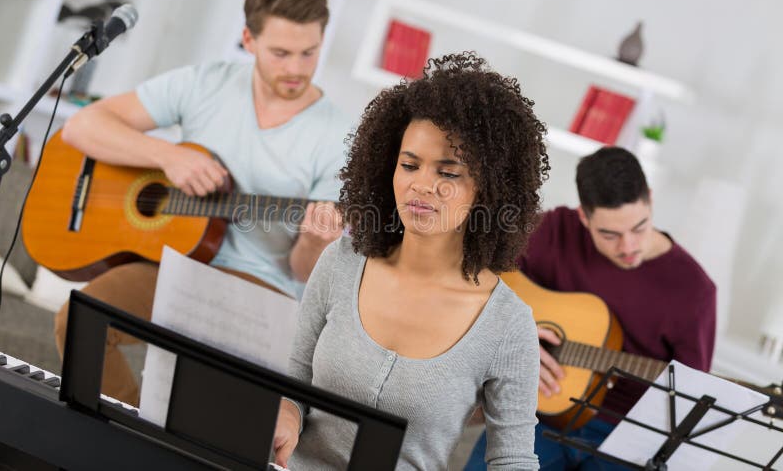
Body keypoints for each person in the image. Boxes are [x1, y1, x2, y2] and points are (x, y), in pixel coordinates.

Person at [53, 0, 351, 406]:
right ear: (248, 40)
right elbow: (82, 127)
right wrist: (166, 156)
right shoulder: (206, 82)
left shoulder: (339, 136)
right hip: (174, 261)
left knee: (200, 402)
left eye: (309, 53)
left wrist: (316, 238)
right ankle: (127, 443)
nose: (296, 69)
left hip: (260, 286)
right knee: (79, 322)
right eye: (281, 53)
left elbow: (304, 272)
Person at [270, 52, 549, 470]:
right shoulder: (342, 262)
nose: (421, 185)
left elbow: (512, 459)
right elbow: (294, 380)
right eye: (409, 165)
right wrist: (287, 415)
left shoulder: (508, 325)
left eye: (448, 173)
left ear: (489, 189)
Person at [465, 146, 717, 470]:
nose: (628, 247)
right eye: (609, 234)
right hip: (535, 416)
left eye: (639, 227)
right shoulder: (556, 230)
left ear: (651, 201)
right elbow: (467, 277)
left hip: (624, 440)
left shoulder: (695, 291)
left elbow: (688, 397)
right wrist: (509, 338)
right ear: (583, 216)